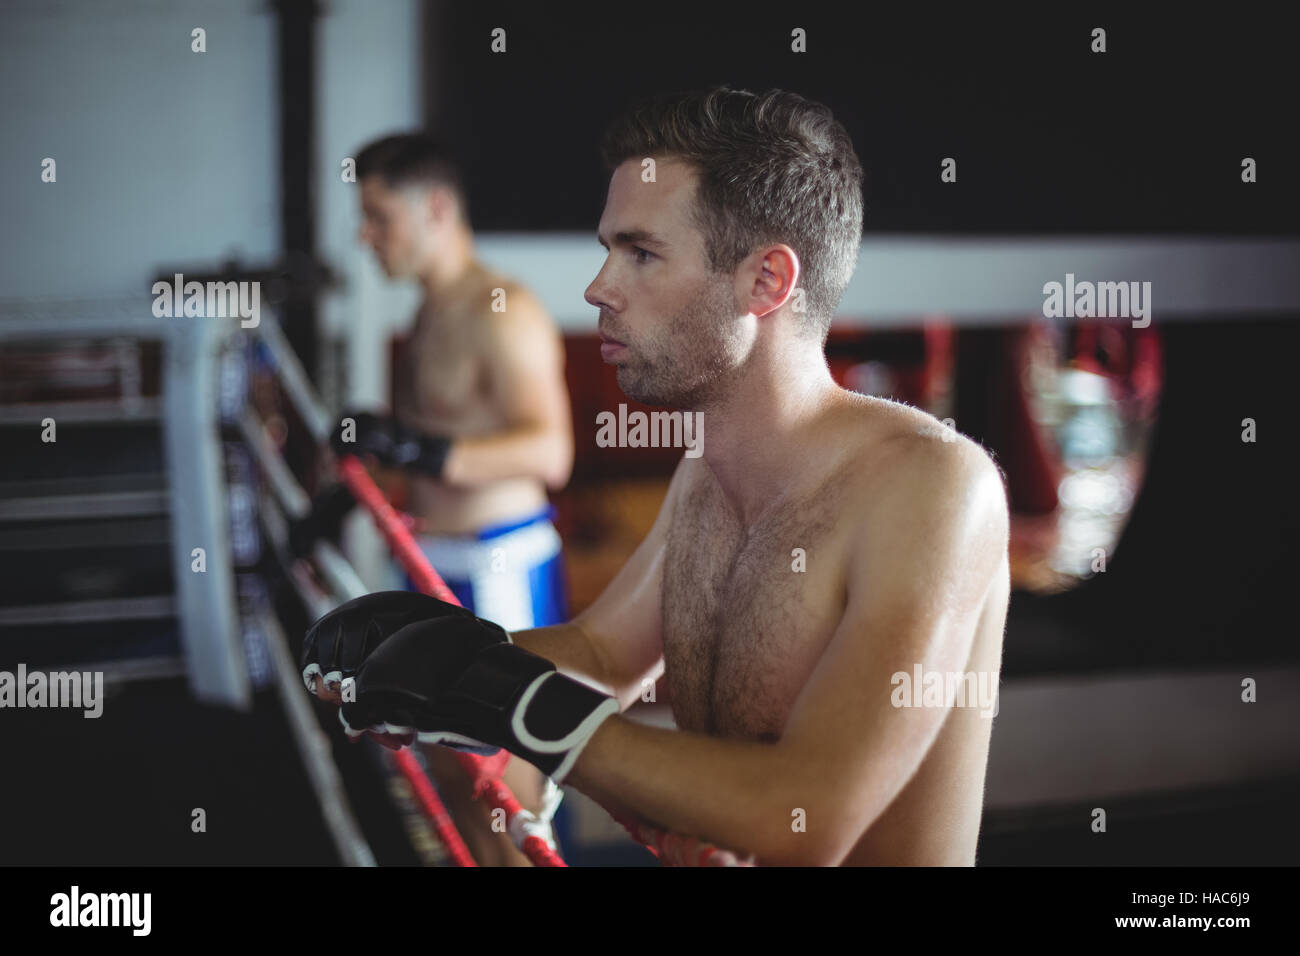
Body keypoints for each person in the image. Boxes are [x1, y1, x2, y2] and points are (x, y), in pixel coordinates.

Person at [304, 89, 1011, 865]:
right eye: (608, 249)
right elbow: (604, 656)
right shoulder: (708, 467)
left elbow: (804, 812)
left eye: (640, 253)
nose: (598, 287)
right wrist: (436, 658)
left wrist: (521, 707)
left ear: (766, 282)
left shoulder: (934, 487)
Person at [331, 132, 575, 865]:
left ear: (436, 207)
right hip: (435, 565)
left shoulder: (502, 309)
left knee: (504, 792)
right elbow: (441, 451)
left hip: (497, 569)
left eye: (379, 216)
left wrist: (426, 450)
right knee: (447, 770)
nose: (365, 236)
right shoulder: (427, 314)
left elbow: (551, 451)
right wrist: (387, 451)